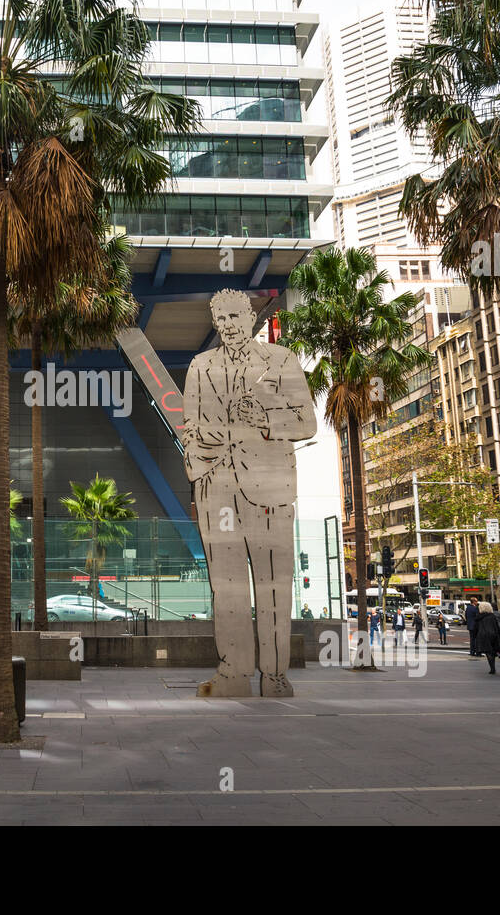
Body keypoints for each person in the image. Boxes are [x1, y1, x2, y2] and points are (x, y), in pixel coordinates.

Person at [181, 289, 317, 697]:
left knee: (274, 584)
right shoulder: (200, 365)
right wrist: (199, 463)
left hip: (270, 488)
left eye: (235, 317)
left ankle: (275, 677)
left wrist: (265, 417)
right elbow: (189, 425)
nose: (228, 325)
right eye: (220, 319)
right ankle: (234, 673)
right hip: (216, 489)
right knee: (227, 587)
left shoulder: (281, 360)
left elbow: (306, 421)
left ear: (251, 316)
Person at [474, 600, 500, 674]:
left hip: (483, 635)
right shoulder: (492, 616)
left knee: (488, 652)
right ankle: (493, 666)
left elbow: (476, 628)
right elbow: (497, 626)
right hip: (493, 634)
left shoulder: (479, 617)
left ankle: (492, 668)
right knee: (492, 651)